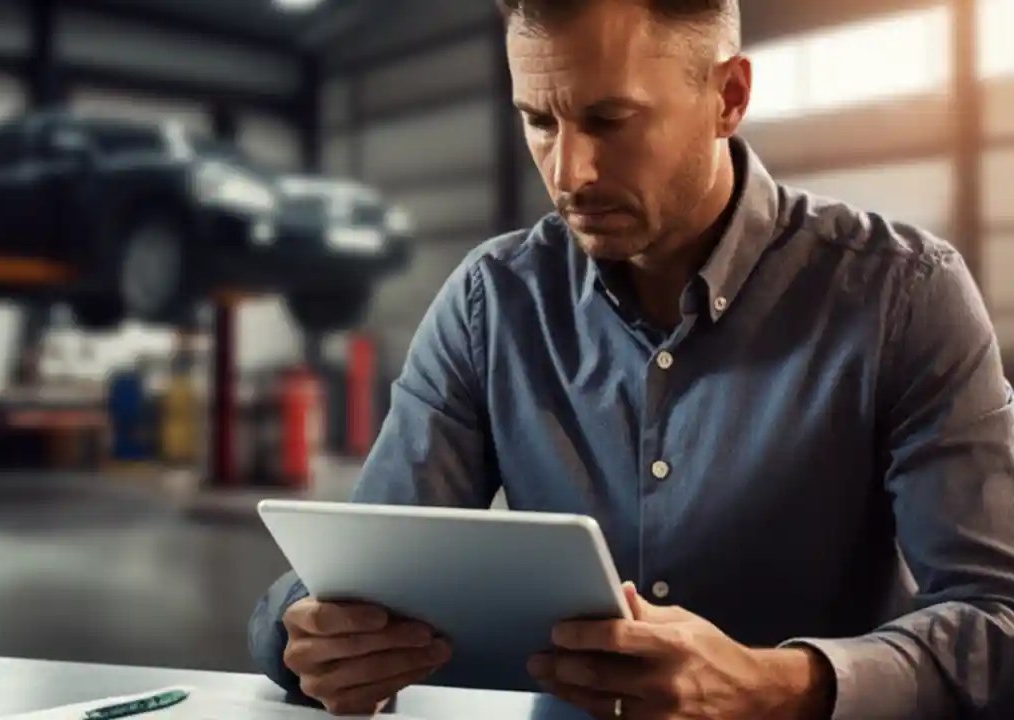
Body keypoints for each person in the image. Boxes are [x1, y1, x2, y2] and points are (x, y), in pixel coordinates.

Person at [248, 0, 1014, 717]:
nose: (568, 172)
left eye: (609, 120)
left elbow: (998, 620)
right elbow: (354, 570)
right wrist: (303, 635)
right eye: (538, 120)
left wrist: (774, 686)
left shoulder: (901, 293)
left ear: (729, 97)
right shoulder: (493, 302)